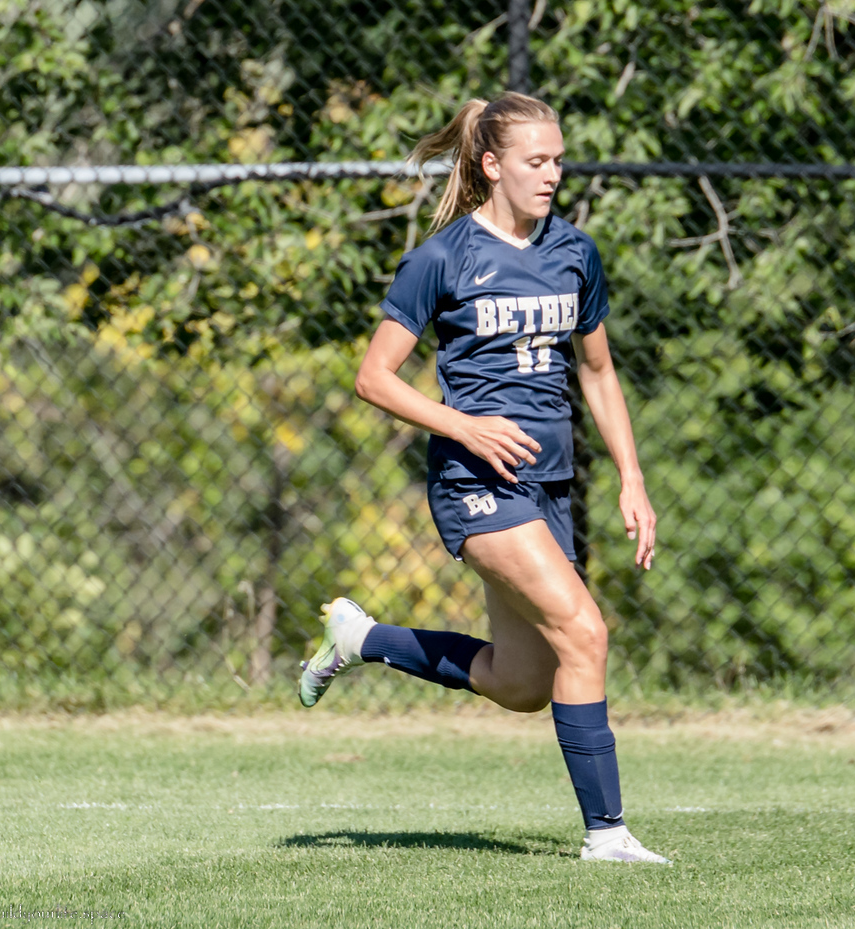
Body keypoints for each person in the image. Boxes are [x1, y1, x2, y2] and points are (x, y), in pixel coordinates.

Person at [297, 92, 668, 864]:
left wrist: (632, 478)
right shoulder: (444, 258)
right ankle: (607, 835)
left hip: (550, 487)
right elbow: (374, 378)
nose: (553, 174)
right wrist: (461, 423)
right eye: (537, 161)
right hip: (475, 480)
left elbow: (598, 374)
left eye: (559, 160)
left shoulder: (575, 252)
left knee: (524, 681)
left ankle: (362, 637)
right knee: (585, 633)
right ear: (492, 165)